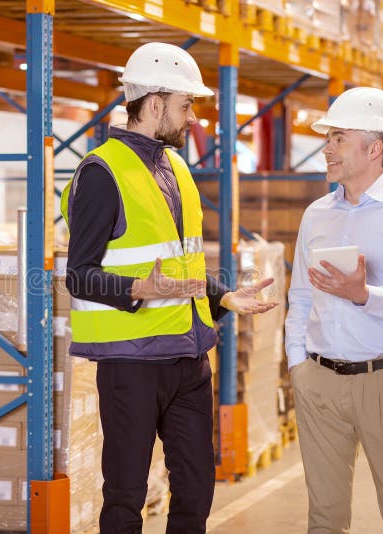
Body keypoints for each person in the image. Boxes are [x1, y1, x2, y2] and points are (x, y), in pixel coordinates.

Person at [60, 42, 277, 533]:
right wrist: (139, 287)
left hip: (188, 356)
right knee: (125, 495)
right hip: (131, 363)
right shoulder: (101, 173)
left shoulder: (176, 168)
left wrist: (222, 296)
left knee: (198, 488)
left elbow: (182, 264)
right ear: (154, 104)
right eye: (186, 106)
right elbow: (78, 274)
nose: (194, 119)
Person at [285, 86, 383, 533]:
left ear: (374, 148)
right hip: (319, 381)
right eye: (328, 138)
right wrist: (298, 364)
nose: (327, 147)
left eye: (338, 137)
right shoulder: (317, 213)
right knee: (324, 517)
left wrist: (364, 294)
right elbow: (300, 295)